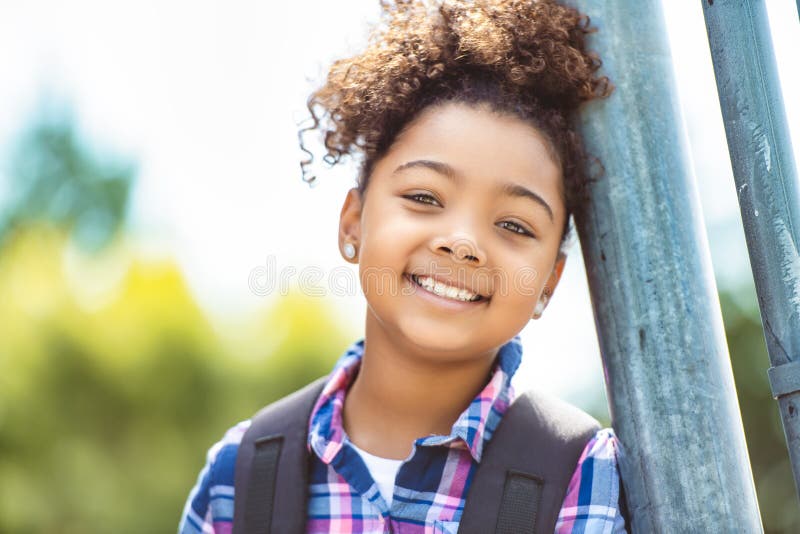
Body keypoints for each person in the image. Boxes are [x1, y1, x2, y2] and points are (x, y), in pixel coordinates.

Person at [178, 0, 627, 532]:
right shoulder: (242, 474)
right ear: (353, 223)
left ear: (548, 283)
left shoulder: (577, 472)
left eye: (514, 226)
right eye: (424, 196)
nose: (462, 244)